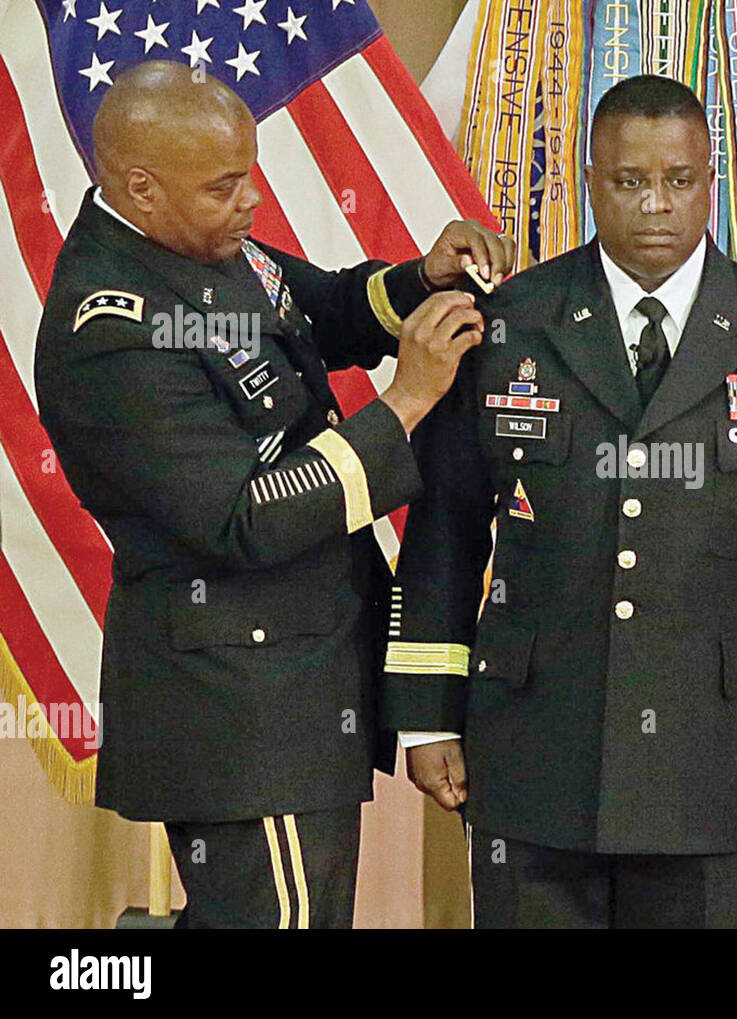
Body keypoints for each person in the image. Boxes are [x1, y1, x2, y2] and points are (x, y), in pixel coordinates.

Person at [383, 75, 737, 928]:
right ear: (589, 180)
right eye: (629, 181)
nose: (657, 204)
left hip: (717, 754)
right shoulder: (509, 321)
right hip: (535, 739)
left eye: (680, 181)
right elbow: (446, 528)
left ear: (711, 181)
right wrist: (428, 713)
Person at [34, 61, 513, 929]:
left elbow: (314, 310)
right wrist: (404, 403)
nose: (251, 200)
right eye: (225, 186)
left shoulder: (198, 243)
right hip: (240, 709)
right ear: (141, 187)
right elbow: (241, 517)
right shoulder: (110, 330)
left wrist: (416, 283)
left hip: (292, 682)